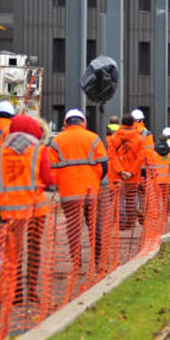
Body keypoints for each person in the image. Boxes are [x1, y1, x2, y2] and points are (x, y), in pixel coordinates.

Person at [0, 114, 56, 305]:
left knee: (14, 252)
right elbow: (46, 178)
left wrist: (0, 201)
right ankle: (32, 291)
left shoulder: (1, 151)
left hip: (11, 208)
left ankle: (17, 291)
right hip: (36, 207)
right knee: (34, 249)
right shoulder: (39, 149)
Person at [50, 109, 107, 273]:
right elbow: (103, 165)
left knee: (73, 229)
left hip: (69, 193)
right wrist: (94, 179)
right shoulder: (93, 138)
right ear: (83, 122)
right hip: (91, 191)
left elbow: (50, 168)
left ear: (65, 123)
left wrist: (60, 182)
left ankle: (77, 264)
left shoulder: (56, 141)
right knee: (95, 227)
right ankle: (98, 262)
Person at [107, 115, 146, 229]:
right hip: (133, 176)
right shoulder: (139, 138)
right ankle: (130, 221)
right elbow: (141, 157)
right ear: (133, 123)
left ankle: (121, 221)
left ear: (122, 123)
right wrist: (131, 172)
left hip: (117, 175)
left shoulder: (114, 137)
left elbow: (111, 155)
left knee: (119, 198)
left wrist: (120, 171)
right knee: (131, 198)